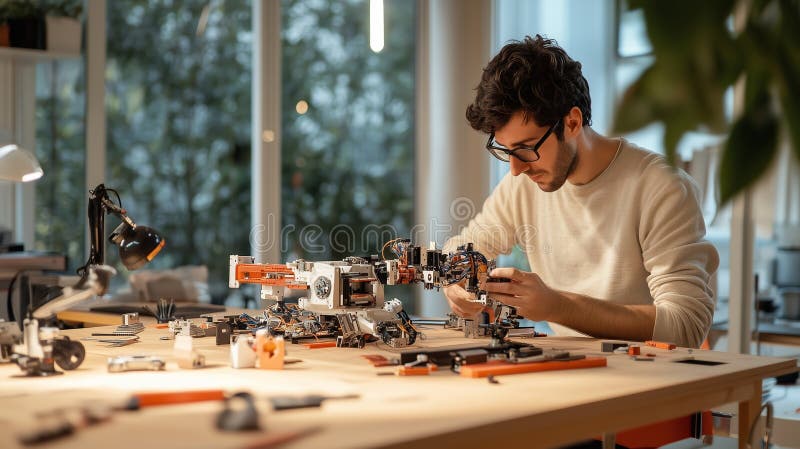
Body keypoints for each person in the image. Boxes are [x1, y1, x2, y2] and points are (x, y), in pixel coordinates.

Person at [442, 35, 719, 348]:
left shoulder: (661, 187)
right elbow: (462, 248)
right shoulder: (522, 185)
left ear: (571, 123)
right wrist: (456, 280)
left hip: (650, 382)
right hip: (573, 372)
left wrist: (557, 306)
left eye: (526, 148)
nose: (516, 169)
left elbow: (686, 325)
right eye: (505, 150)